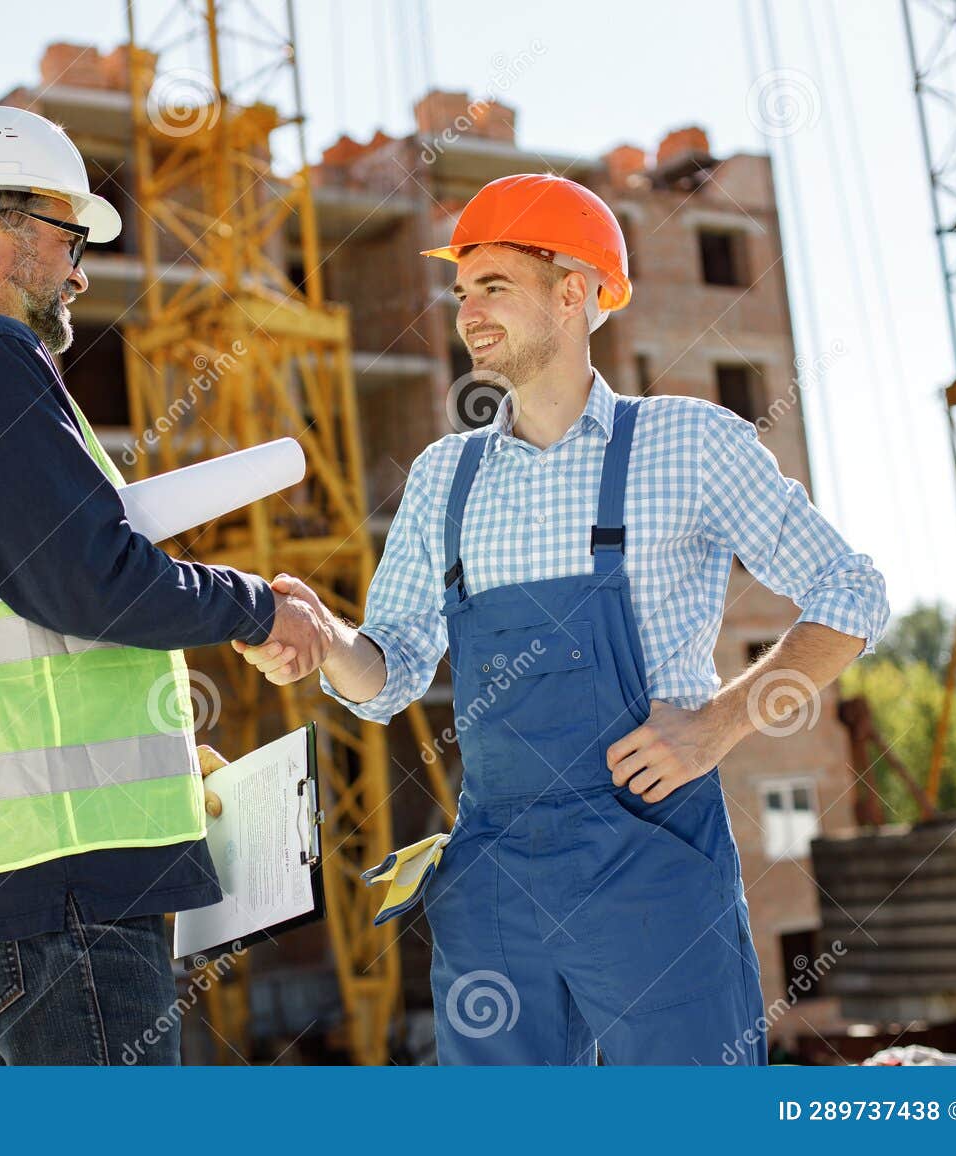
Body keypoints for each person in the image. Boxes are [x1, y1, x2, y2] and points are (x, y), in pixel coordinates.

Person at [235, 173, 889, 1065]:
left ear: (574, 291)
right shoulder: (445, 478)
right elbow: (389, 675)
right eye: (461, 292)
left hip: (650, 858)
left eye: (494, 285)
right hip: (493, 867)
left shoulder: (686, 444)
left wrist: (718, 725)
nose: (468, 312)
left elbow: (851, 593)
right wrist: (324, 642)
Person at [0, 106, 328, 1064]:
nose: (80, 270)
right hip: (56, 890)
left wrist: (153, 766)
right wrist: (256, 607)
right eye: (69, 239)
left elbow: (32, 616)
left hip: (15, 885)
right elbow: (86, 579)